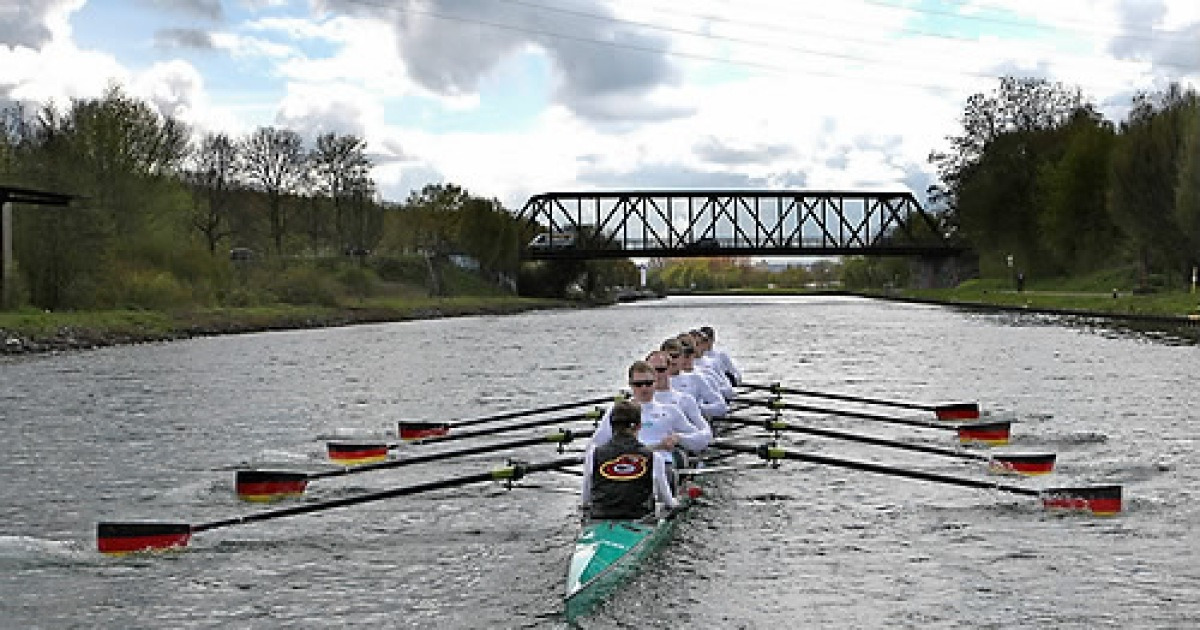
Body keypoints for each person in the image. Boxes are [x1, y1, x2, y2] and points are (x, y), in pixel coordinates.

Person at [580, 400, 679, 520]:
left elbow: (585, 499)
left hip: (601, 516)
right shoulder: (654, 457)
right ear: (639, 426)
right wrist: (678, 503)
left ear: (611, 425)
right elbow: (666, 500)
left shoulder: (593, 454)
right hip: (639, 518)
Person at [646, 349, 711, 452]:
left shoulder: (685, 400)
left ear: (669, 369)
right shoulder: (633, 405)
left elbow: (705, 436)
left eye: (660, 370)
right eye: (651, 371)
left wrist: (679, 438)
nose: (655, 375)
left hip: (673, 454)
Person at [662, 337, 727, 419]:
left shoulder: (696, 379)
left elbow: (721, 406)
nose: (671, 360)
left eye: (675, 356)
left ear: (682, 357)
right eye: (668, 356)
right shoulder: (650, 383)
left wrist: (697, 410)